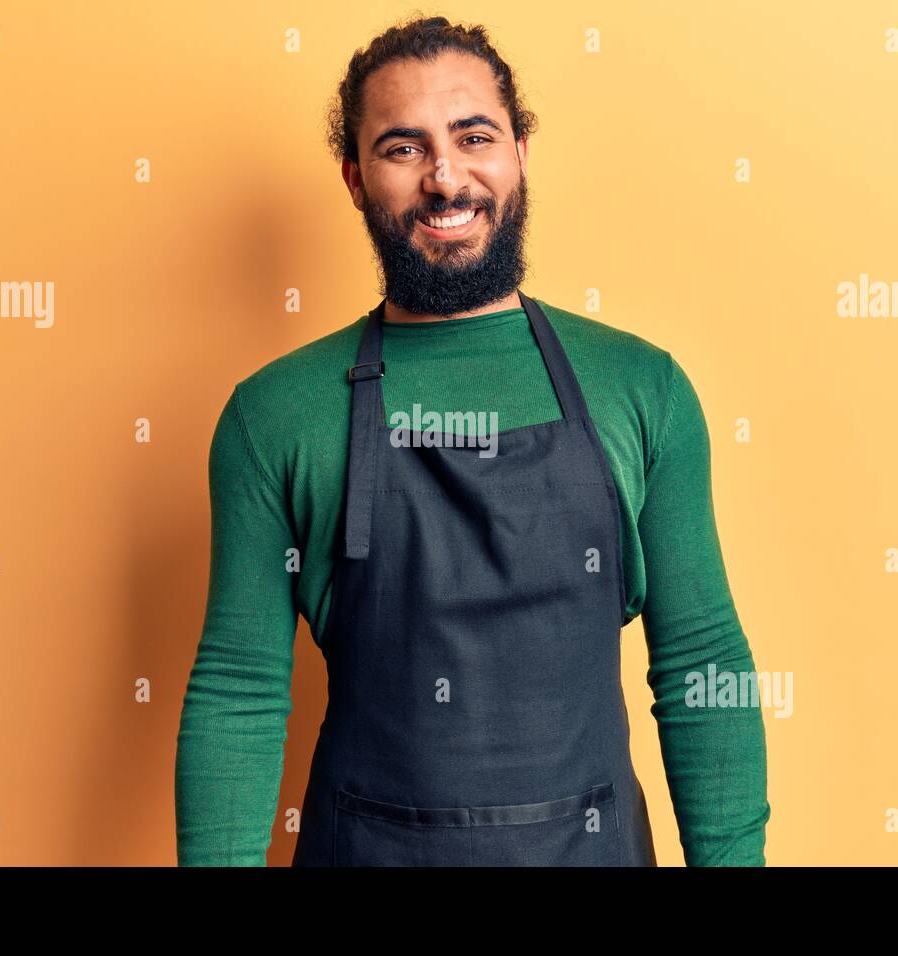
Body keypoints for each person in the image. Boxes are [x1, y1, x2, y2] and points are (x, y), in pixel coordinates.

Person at [175, 14, 770, 866]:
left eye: (474, 136)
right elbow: (239, 693)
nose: (446, 179)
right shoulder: (274, 416)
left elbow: (702, 663)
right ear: (354, 178)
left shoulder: (643, 389)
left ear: (520, 150)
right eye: (403, 148)